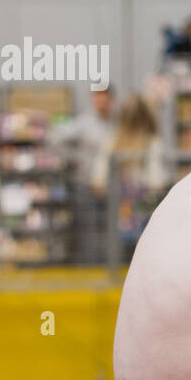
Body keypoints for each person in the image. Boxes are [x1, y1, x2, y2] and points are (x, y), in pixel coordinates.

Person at [91, 95, 171, 260]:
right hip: (148, 213)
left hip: (119, 213)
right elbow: (158, 182)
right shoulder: (153, 143)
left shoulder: (112, 142)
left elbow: (98, 182)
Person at [47, 88, 116, 263]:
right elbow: (54, 138)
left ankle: (106, 265)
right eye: (98, 97)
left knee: (109, 228)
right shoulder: (84, 123)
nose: (102, 101)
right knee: (88, 229)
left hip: (110, 187)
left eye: (105, 98)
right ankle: (89, 267)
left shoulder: (115, 123)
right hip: (87, 185)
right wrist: (75, 158)